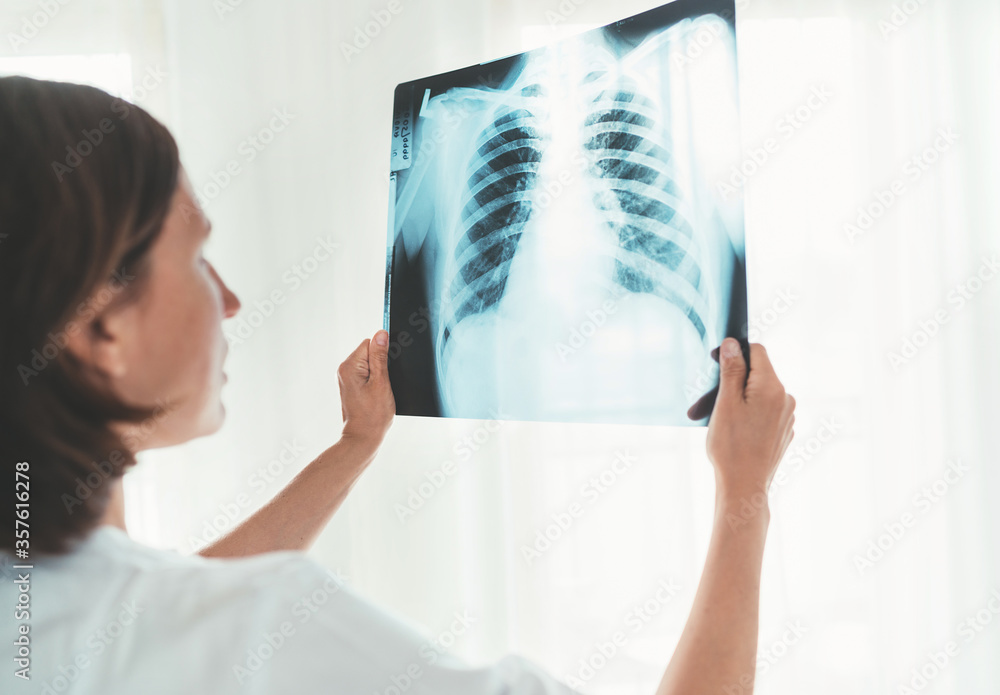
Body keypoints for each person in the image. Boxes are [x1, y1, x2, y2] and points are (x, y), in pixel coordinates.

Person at [0, 76, 795, 695]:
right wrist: (745, 493)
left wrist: (355, 446)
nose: (230, 299)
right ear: (102, 325)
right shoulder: (263, 626)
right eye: (197, 256)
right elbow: (203, 617)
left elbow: (158, 615)